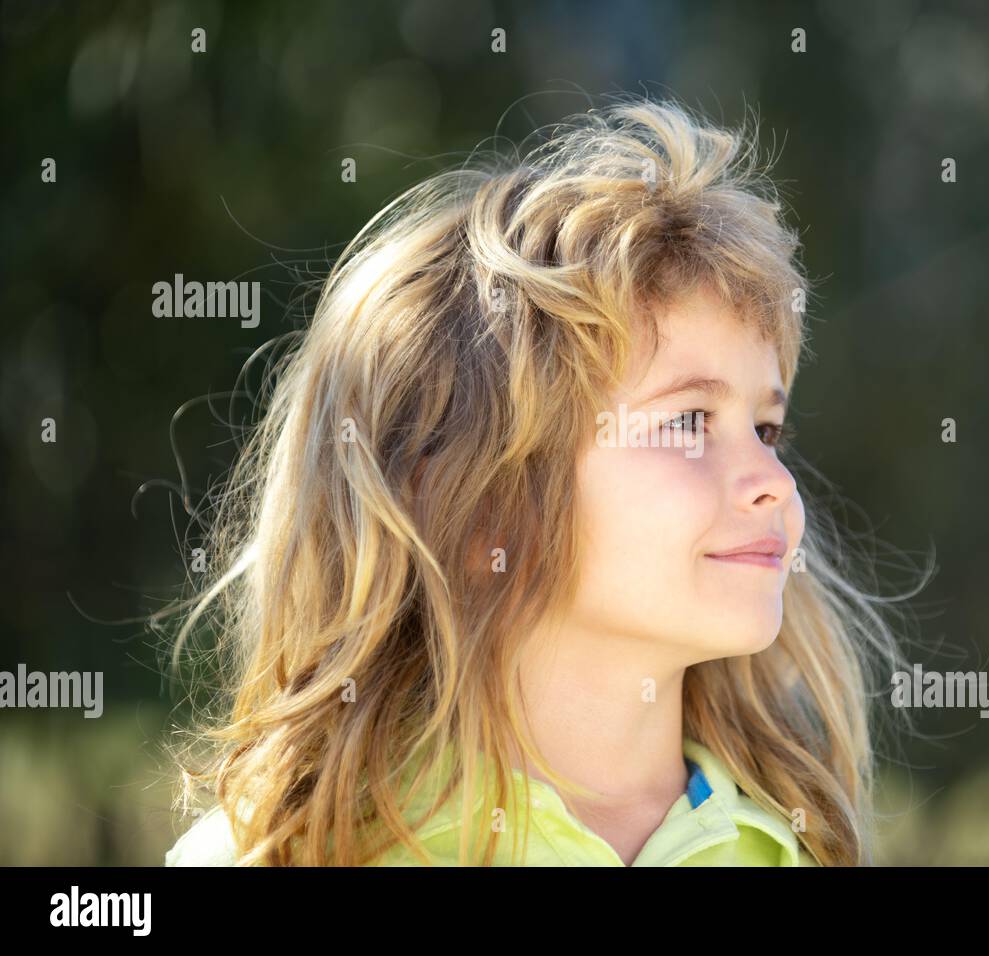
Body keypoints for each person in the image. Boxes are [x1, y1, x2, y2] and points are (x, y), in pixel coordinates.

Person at [161, 95, 908, 866]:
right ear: (470, 496)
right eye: (687, 423)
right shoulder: (293, 851)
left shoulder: (798, 846)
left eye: (766, 429)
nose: (774, 483)